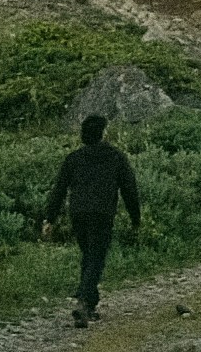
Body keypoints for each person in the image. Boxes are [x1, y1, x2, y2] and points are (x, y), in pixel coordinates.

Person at [35, 112, 145, 325]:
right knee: (96, 256)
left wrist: (50, 218)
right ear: (103, 133)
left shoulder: (74, 158)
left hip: (78, 213)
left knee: (88, 255)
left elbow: (58, 191)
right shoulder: (116, 157)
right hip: (102, 213)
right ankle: (83, 302)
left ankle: (90, 302)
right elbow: (129, 190)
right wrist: (135, 218)